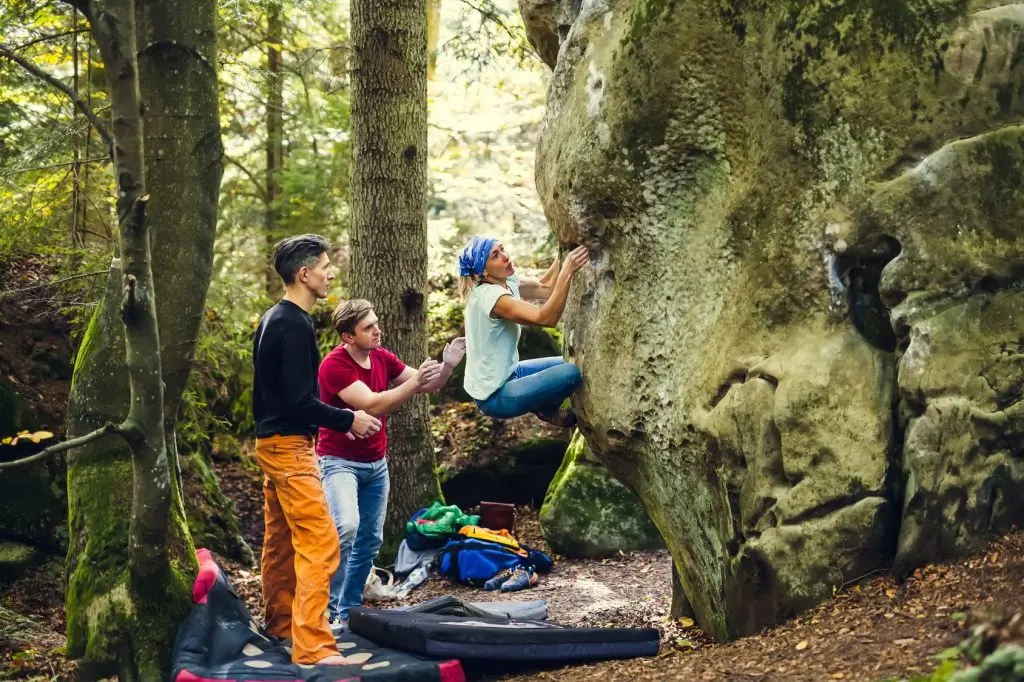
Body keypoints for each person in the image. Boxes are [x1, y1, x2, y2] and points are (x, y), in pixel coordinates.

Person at [252, 234, 382, 666]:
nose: (330, 274)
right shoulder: (291, 324)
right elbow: (297, 401)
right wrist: (349, 418)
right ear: (304, 274)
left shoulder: (275, 317)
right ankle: (314, 646)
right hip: (288, 448)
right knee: (321, 540)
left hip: (274, 443)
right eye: (325, 267)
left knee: (282, 542)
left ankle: (282, 625)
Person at [317, 299, 466, 627]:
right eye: (368, 327)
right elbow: (371, 404)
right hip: (338, 462)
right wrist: (415, 383)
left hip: (375, 464)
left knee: (369, 540)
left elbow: (429, 385)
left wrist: (448, 366)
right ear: (348, 337)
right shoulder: (334, 365)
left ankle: (347, 613)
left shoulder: (382, 357)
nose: (377, 330)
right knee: (346, 528)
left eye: (376, 322)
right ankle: (326, 613)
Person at [458, 235, 589, 426]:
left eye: (502, 248)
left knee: (569, 361)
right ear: (484, 271)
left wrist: (564, 251)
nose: (504, 256)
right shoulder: (492, 297)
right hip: (495, 395)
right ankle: (546, 408)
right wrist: (567, 270)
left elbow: (545, 288)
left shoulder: (505, 279)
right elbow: (546, 318)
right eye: (495, 255)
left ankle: (541, 404)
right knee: (570, 374)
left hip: (510, 372)